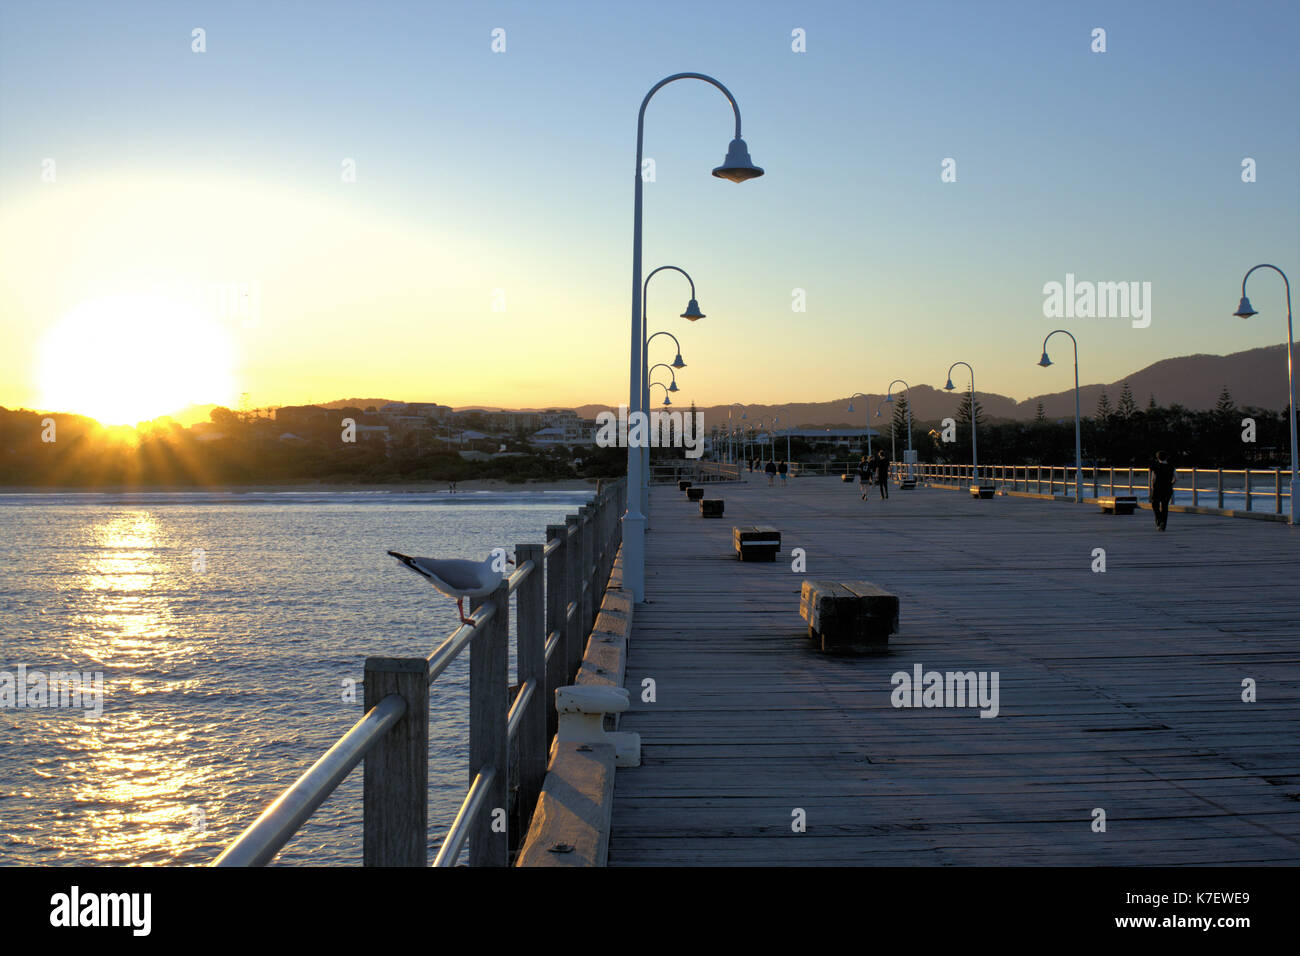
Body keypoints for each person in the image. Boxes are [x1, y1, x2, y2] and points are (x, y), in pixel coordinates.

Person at [1148, 450, 1176, 531]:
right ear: (1166, 457)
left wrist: (1153, 485)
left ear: (1157, 457)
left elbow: (1152, 478)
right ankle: (1163, 524)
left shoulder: (1155, 466)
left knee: (1155, 505)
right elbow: (1176, 478)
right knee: (1164, 506)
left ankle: (1159, 520)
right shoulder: (1171, 466)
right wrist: (1171, 484)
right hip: (1167, 489)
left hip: (1157, 488)